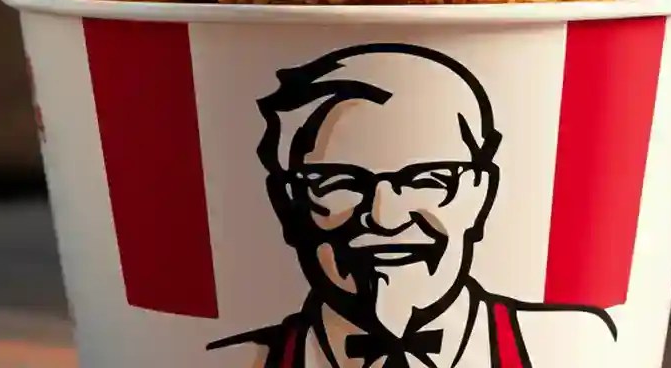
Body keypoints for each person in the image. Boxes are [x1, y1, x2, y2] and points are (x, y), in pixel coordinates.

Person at [209, 44, 616, 368]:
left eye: (428, 180)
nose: (386, 217)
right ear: (286, 204)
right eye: (339, 183)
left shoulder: (570, 344)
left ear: (480, 194)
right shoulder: (232, 361)